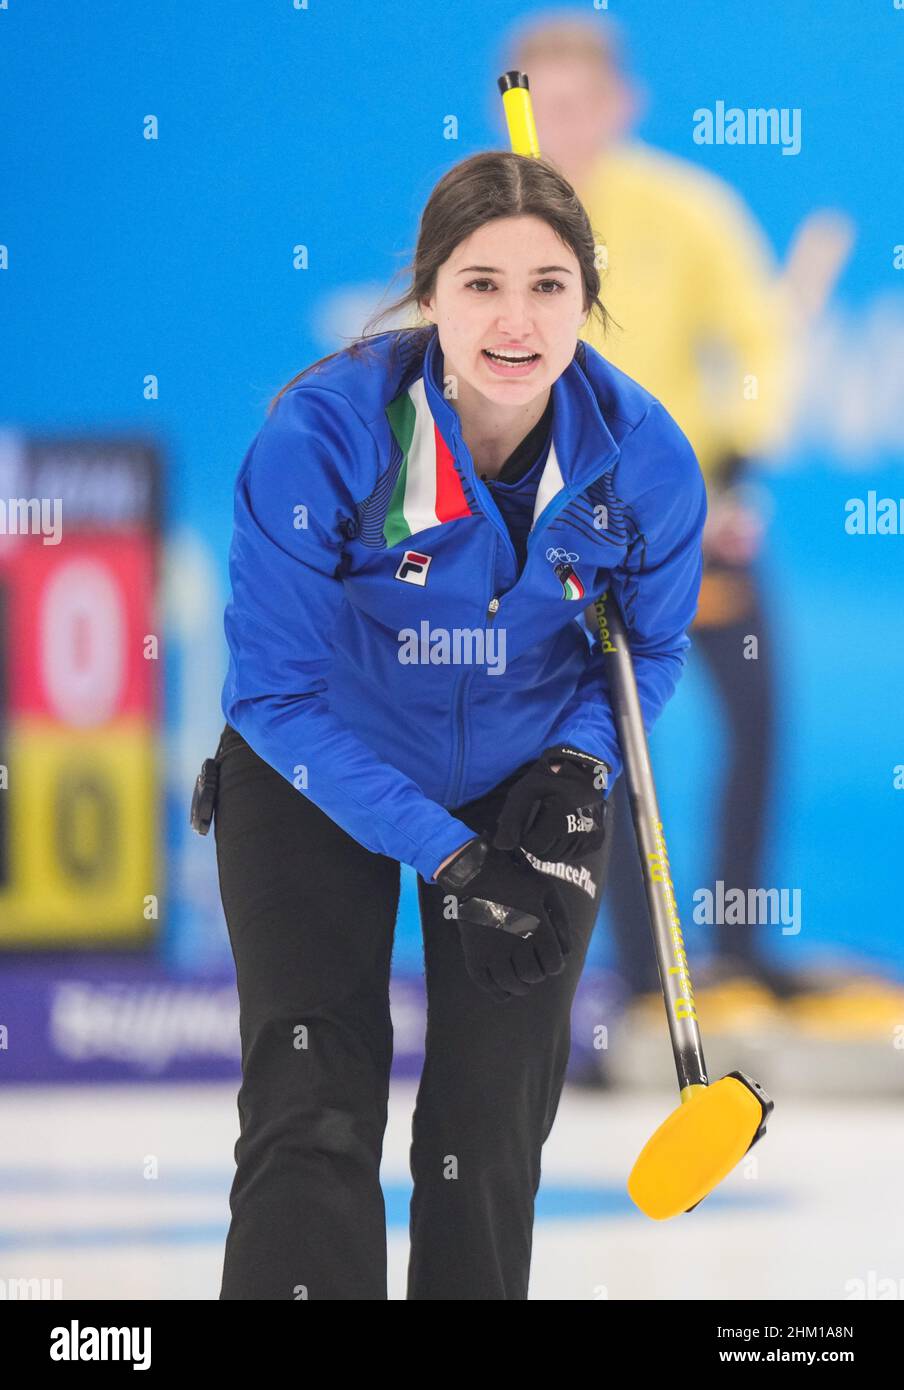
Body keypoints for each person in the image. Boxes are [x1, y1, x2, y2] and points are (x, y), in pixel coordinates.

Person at [210, 149, 706, 1300]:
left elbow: (656, 645)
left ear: (589, 301)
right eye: (481, 283)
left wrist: (581, 769)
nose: (515, 320)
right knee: (312, 1106)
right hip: (312, 769)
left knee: (487, 1131)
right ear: (428, 294)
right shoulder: (323, 437)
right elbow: (271, 694)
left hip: (521, 772)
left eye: (548, 286)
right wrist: (451, 853)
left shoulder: (644, 459)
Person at [504, 13, 809, 1013]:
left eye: (580, 104)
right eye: (541, 106)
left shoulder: (689, 210)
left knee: (756, 720)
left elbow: (765, 345)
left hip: (691, 520)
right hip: (563, 540)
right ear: (510, 112)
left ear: (621, 105)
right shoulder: (489, 223)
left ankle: (743, 950)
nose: (563, 125)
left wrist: (736, 460)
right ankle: (638, 981)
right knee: (607, 749)